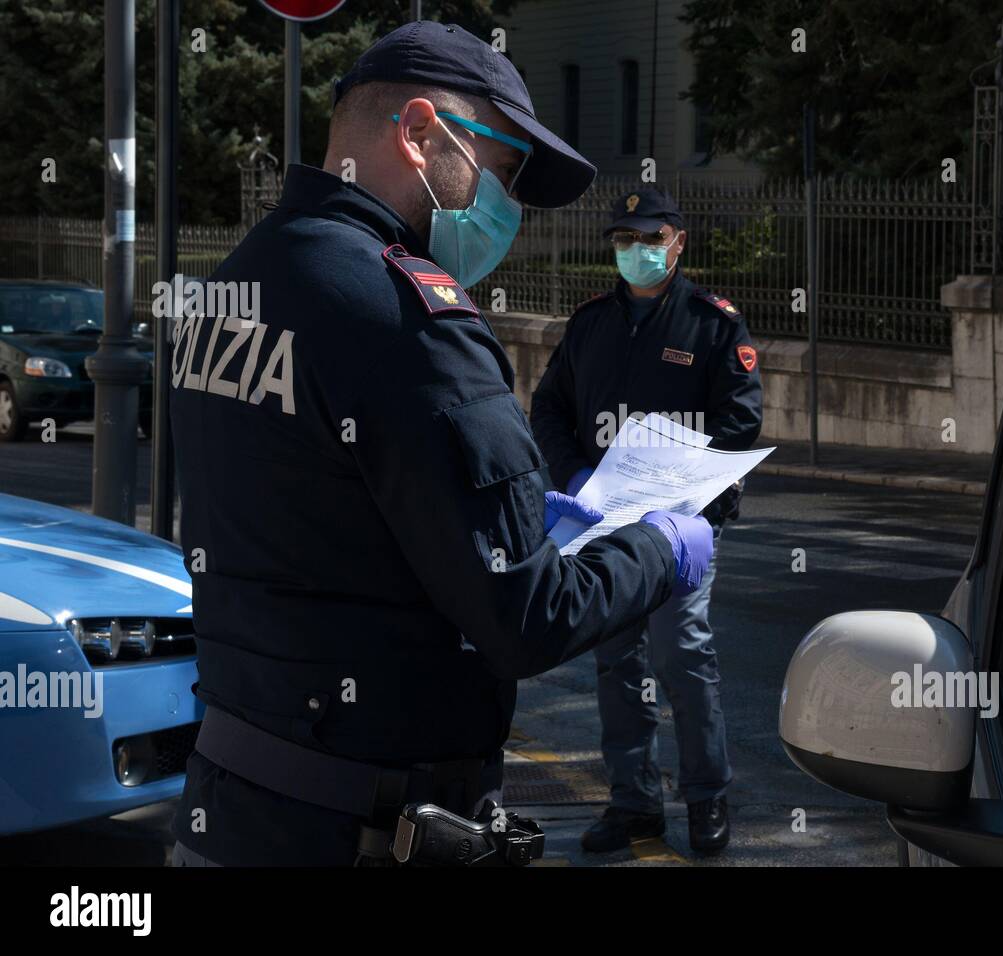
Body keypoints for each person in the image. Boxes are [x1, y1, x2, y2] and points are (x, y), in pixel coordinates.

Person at [166, 22, 713, 867]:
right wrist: (661, 547)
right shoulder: (409, 317)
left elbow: (323, 515)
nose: (509, 206)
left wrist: (495, 522)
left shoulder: (236, 278)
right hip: (365, 830)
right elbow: (529, 620)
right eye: (502, 173)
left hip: (230, 807)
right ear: (420, 133)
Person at [529, 188, 763, 854]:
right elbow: (548, 410)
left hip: (678, 527)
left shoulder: (713, 326)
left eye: (649, 237)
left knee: (682, 655)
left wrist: (685, 496)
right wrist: (573, 477)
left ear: (678, 241)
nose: (636, 251)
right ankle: (633, 802)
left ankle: (706, 797)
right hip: (605, 524)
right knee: (617, 662)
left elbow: (739, 423)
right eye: (624, 240)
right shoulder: (590, 324)